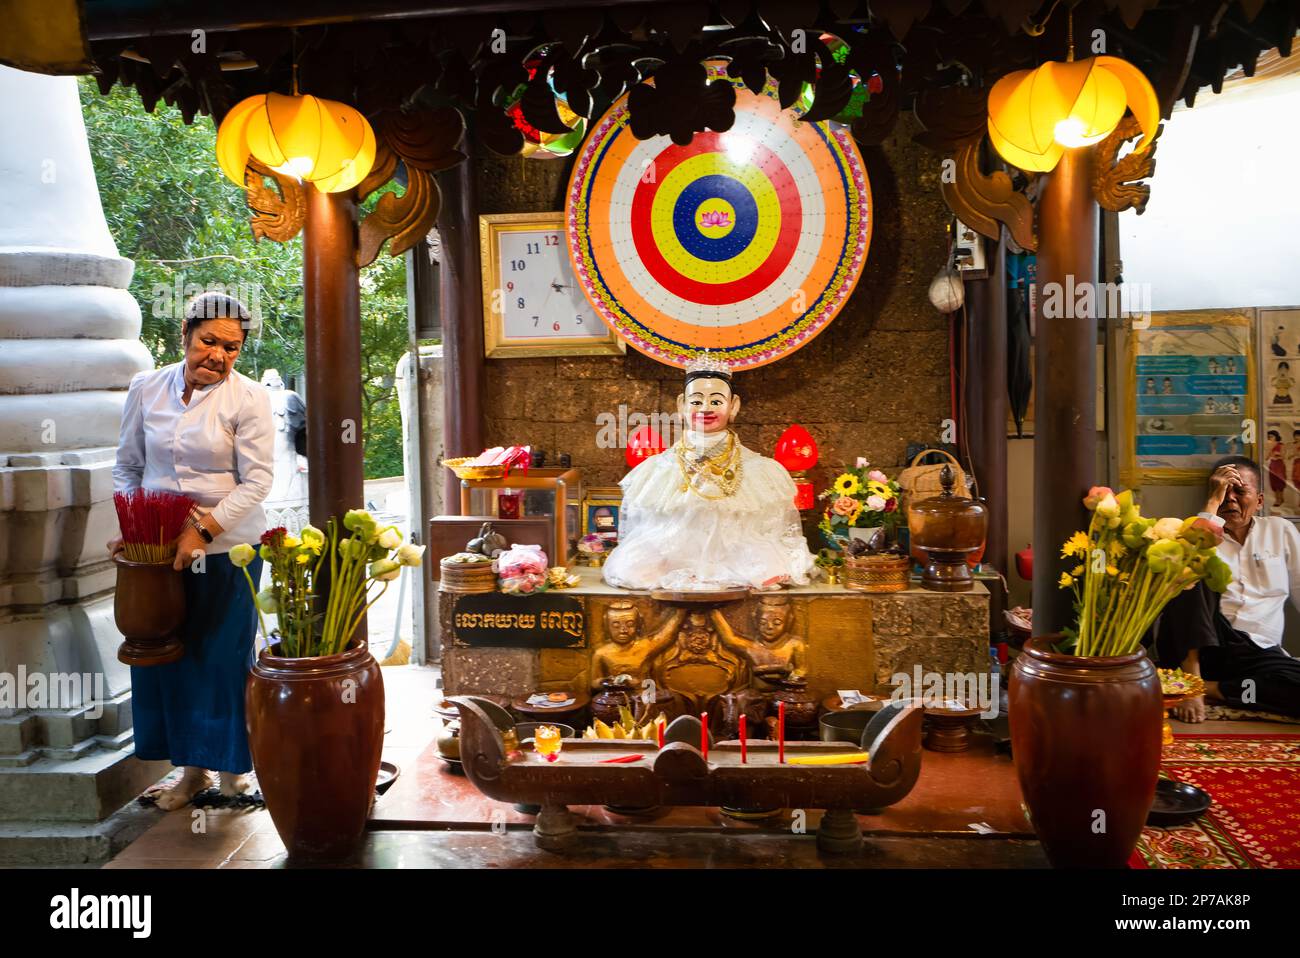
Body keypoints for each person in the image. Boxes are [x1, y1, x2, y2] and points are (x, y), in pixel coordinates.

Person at [111, 293, 273, 809]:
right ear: (185, 333)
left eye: (232, 347)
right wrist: (136, 525)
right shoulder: (146, 388)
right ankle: (189, 774)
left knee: (221, 660)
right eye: (209, 341)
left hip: (229, 550)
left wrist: (201, 531)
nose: (218, 357)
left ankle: (231, 774)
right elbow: (128, 467)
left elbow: (257, 482)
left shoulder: (248, 399)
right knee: (167, 657)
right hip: (159, 554)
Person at [601, 353, 816, 591]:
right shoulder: (656, 470)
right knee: (634, 566)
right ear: (681, 405)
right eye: (696, 401)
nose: (705, 409)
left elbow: (776, 530)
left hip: (739, 555)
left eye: (716, 401)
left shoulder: (762, 472)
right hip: (670, 559)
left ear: (733, 405)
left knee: (769, 566)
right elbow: (642, 529)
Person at [1153, 457, 1300, 721]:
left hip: (1260, 653)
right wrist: (1212, 502)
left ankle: (1215, 689)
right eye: (1223, 491)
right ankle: (1192, 680)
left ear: (1260, 500)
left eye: (1240, 491)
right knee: (1191, 568)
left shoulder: (1281, 531)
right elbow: (1184, 565)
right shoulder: (1198, 532)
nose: (1230, 499)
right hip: (1204, 646)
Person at [1267, 430, 1287, 507]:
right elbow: (1267, 457)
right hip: (1272, 465)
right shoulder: (1269, 445)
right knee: (1274, 483)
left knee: (1280, 482)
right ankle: (1277, 499)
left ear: (1276, 436)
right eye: (1269, 437)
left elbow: (1283, 455)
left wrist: (1277, 454)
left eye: (1272, 436)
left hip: (1279, 464)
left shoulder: (1281, 445)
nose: (1270, 438)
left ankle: (1280, 498)